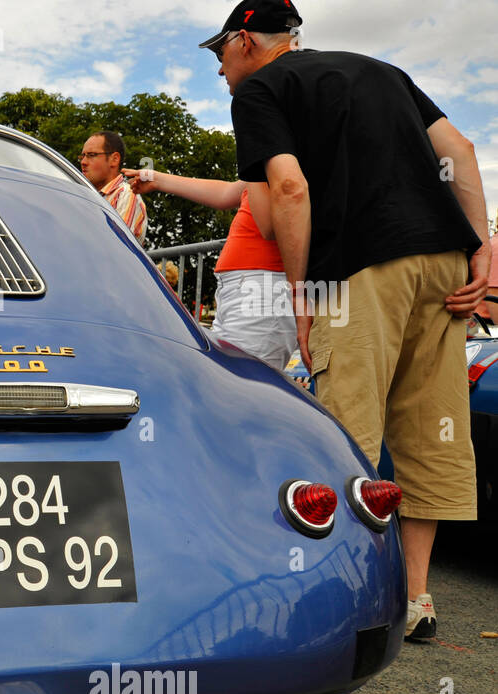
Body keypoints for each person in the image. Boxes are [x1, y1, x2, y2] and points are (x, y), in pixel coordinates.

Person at [207, 0, 489, 641]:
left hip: (364, 268)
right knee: (429, 431)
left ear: (244, 41)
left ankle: (346, 594)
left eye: (219, 54)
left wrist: (304, 295)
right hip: (442, 263)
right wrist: (480, 247)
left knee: (347, 437)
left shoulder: (260, 93)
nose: (220, 70)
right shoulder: (382, 69)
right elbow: (462, 152)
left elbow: (290, 189)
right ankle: (416, 598)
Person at [123, 168, 295, 369]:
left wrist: (255, 152)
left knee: (241, 387)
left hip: (260, 292)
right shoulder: (269, 163)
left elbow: (269, 224)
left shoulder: (278, 156)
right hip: (249, 291)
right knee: (234, 383)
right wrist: (157, 180)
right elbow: (226, 193)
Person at [77, 130, 147, 244]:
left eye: (91, 155)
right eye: (82, 156)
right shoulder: (85, 196)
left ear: (114, 159)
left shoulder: (126, 195)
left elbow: (116, 245)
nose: (83, 162)